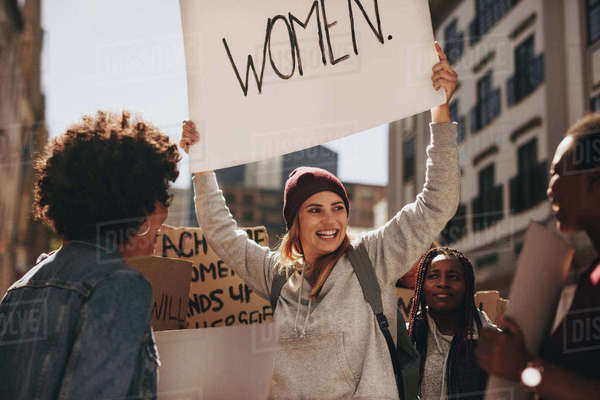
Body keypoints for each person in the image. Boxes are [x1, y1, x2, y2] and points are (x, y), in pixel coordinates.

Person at [180, 42, 459, 399]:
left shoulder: (374, 259)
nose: (330, 220)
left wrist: (440, 109)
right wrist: (201, 164)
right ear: (295, 221)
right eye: (315, 209)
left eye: (337, 207)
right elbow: (220, 231)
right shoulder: (275, 276)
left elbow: (439, 201)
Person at [0, 111, 180, 399]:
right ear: (137, 210)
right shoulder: (120, 285)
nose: (154, 246)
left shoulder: (19, 289)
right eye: (155, 233)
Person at [475, 113, 600, 399]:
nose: (549, 189)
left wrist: (523, 369)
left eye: (557, 173)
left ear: (594, 182)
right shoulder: (590, 276)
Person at [408, 247, 496, 399]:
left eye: (453, 277)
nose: (443, 283)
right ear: (422, 284)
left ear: (467, 286)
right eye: (433, 276)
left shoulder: (492, 341)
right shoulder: (407, 338)